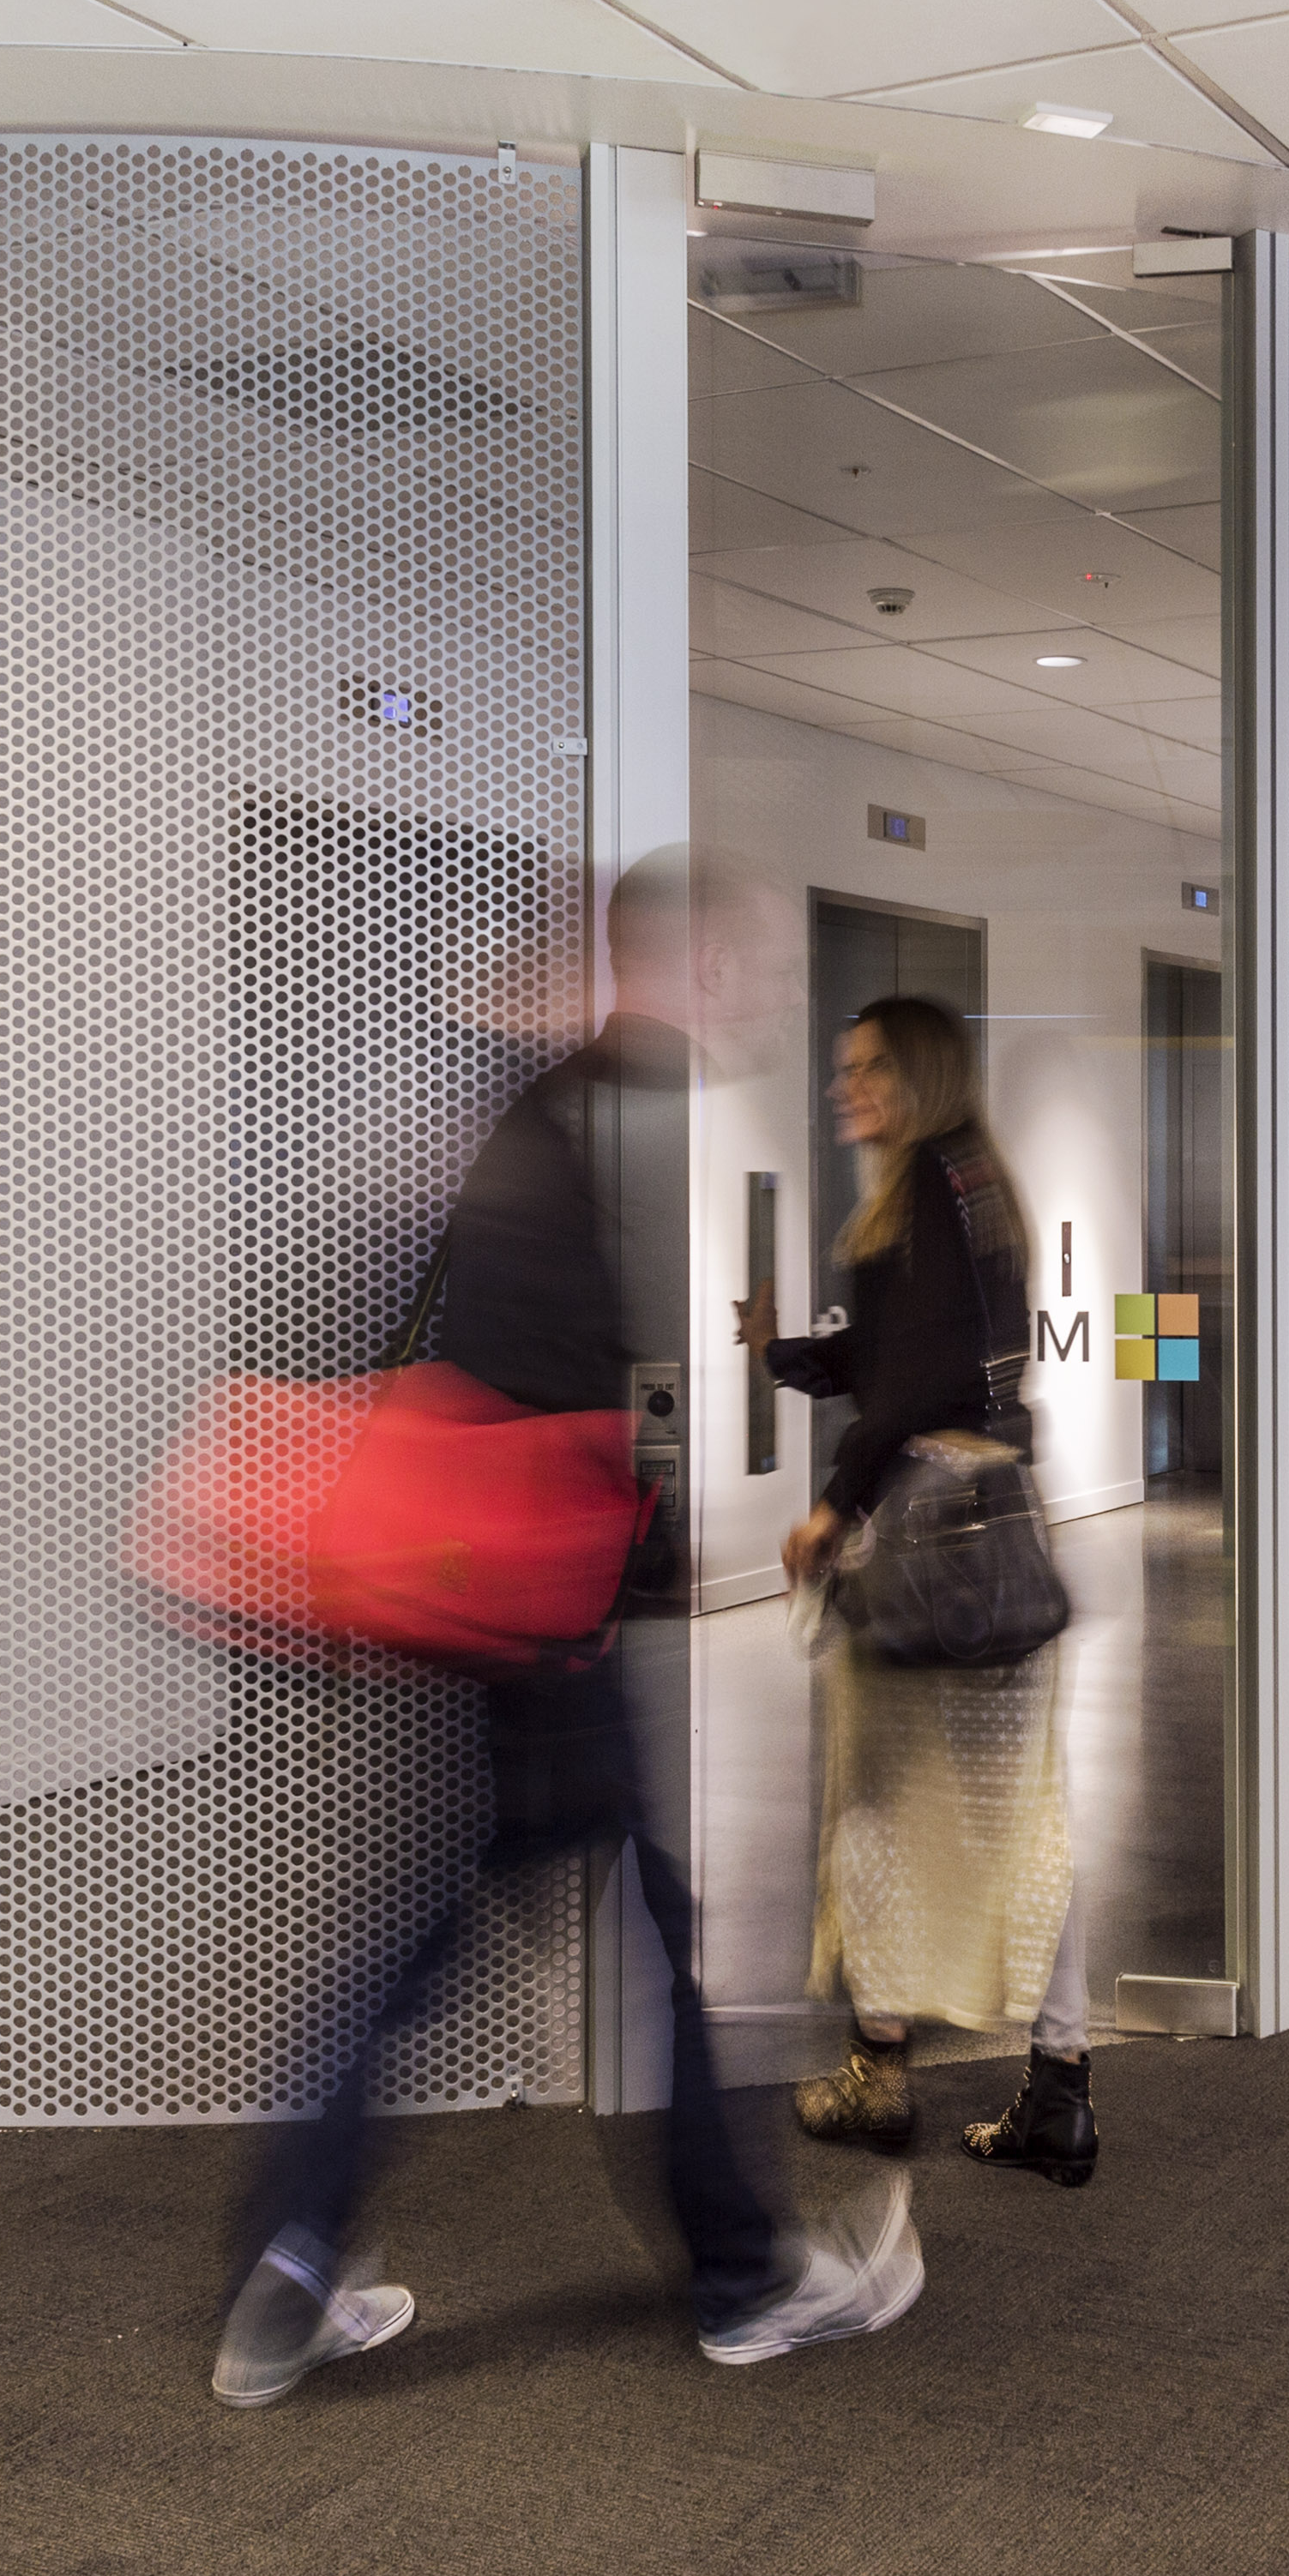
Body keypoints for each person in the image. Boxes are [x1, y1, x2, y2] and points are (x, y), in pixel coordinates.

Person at [213, 851, 918, 2408]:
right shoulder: (638, 1110)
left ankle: (286, 2273)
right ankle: (741, 2283)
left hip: (471, 1599)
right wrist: (644, 1553)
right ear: (703, 968)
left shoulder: (526, 1113)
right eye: (755, 968)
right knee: (649, 1948)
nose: (769, 999)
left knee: (435, 1944)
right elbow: (647, 1396)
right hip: (554, 1619)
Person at [759, 994, 1099, 2188]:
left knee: (875, 1809)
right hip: (1000, 1534)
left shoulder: (914, 1203)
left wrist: (833, 1507)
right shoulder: (977, 1191)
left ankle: (877, 2072)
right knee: (1022, 1819)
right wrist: (800, 1357)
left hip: (920, 1547)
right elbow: (933, 1361)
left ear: (924, 1076)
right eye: (844, 1066)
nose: (846, 1087)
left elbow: (907, 1399)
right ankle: (1058, 2086)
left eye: (870, 1070)